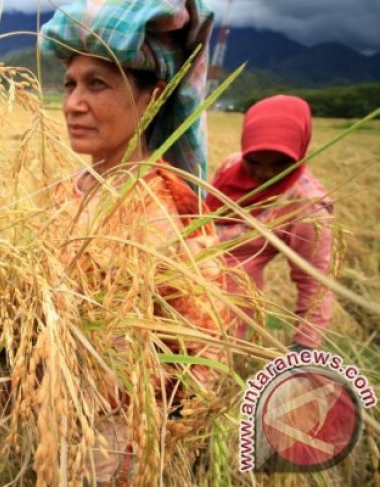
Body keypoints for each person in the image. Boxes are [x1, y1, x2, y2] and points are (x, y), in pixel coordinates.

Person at [40, 1, 229, 483]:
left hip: (122, 451)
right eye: (70, 84)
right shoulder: (65, 193)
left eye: (96, 84)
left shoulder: (173, 211)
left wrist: (143, 453)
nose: (72, 103)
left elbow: (203, 364)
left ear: (154, 97)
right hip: (53, 429)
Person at [206, 95, 333, 352]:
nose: (264, 174)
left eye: (280, 164)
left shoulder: (306, 205)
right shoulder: (232, 165)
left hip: (228, 308)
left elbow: (315, 283)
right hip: (182, 283)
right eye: (253, 162)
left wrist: (303, 349)